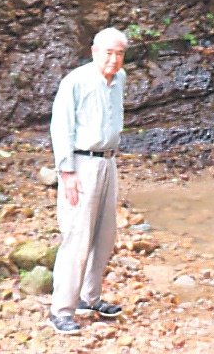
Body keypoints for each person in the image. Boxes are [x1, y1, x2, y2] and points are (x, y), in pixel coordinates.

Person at [48, 27, 128, 336]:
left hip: (108, 162)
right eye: (108, 52)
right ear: (94, 51)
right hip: (81, 164)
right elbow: (61, 127)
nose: (113, 59)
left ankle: (89, 298)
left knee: (105, 235)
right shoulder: (75, 82)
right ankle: (61, 310)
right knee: (77, 238)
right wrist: (66, 172)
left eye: (119, 53)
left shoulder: (119, 80)